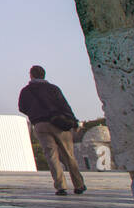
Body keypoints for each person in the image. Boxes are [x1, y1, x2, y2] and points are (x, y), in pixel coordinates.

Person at [17, 65, 86, 195]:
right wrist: (74, 121)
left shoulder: (26, 91)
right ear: (44, 75)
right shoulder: (53, 89)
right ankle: (79, 185)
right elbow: (64, 105)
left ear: (31, 75)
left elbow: (22, 107)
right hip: (59, 123)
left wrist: (34, 113)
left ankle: (61, 187)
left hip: (40, 124)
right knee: (68, 155)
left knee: (51, 156)